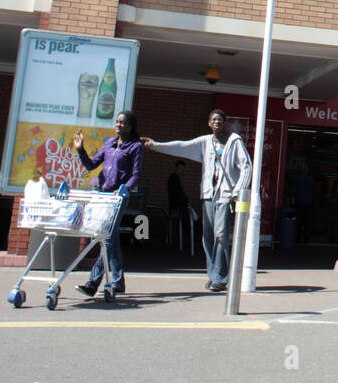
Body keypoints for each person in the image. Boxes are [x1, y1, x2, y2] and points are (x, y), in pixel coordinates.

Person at [142, 108, 252, 292]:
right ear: (209, 123)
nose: (217, 122)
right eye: (214, 119)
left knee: (221, 236)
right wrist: (154, 145)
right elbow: (181, 146)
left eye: (220, 119)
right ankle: (213, 274)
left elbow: (247, 166)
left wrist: (238, 191)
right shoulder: (205, 142)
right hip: (208, 195)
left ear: (225, 123)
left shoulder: (234, 142)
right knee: (208, 237)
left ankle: (220, 278)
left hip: (225, 196)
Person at [72, 110, 142, 296]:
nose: (118, 125)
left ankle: (93, 282)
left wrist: (124, 189)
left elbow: (135, 175)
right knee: (112, 239)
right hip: (103, 195)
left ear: (130, 126)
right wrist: (80, 149)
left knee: (107, 238)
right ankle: (118, 283)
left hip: (118, 197)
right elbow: (91, 165)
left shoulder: (135, 146)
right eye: (117, 122)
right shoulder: (109, 144)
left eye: (123, 123)